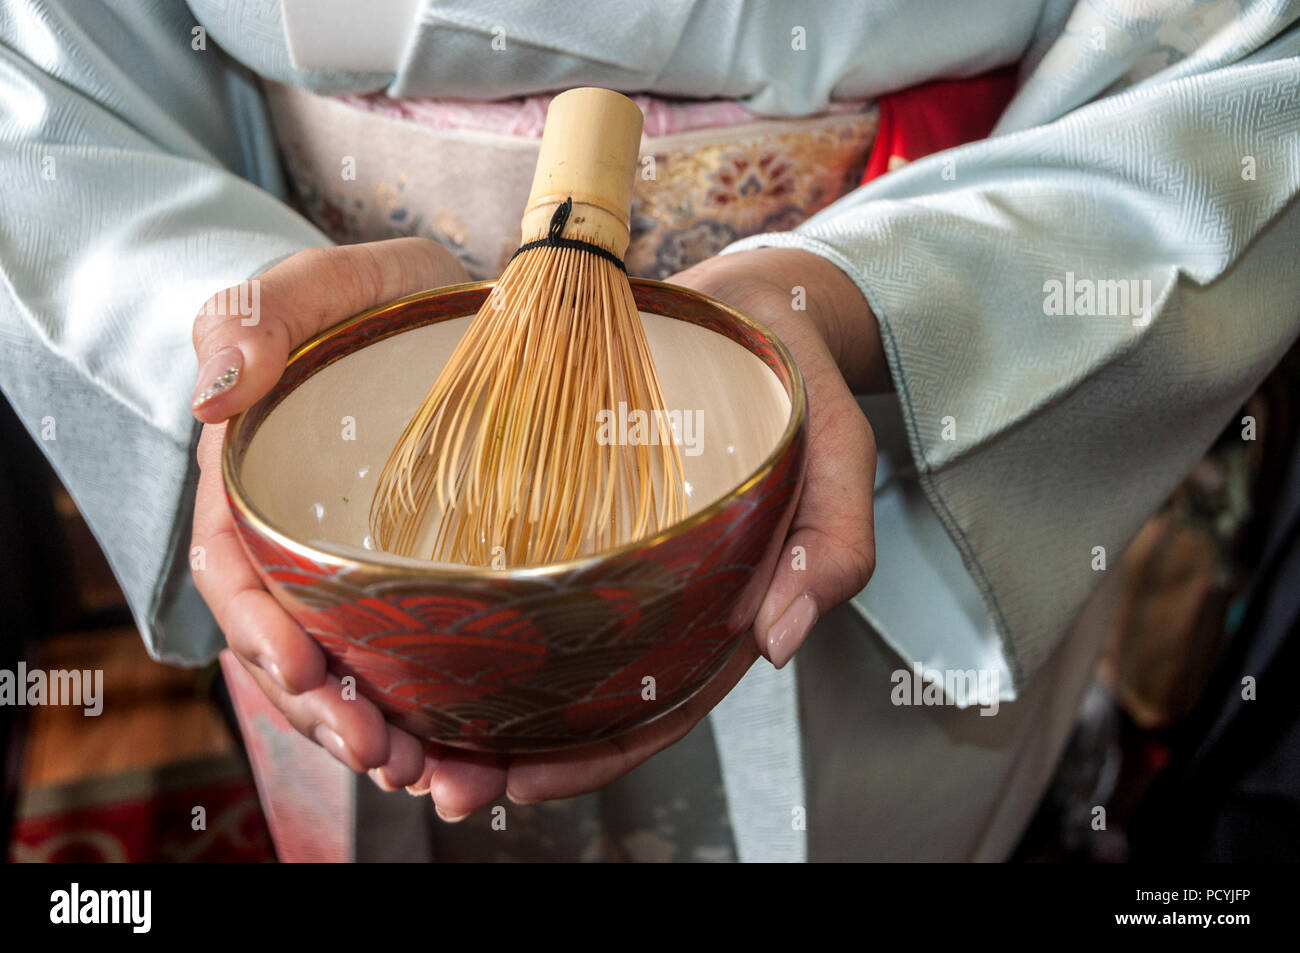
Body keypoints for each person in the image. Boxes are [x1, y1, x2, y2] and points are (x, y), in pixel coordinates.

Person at [2, 0, 1297, 861]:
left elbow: (1236, 61)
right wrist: (229, 327)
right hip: (363, 460)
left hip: (893, 385)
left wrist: (879, 303)